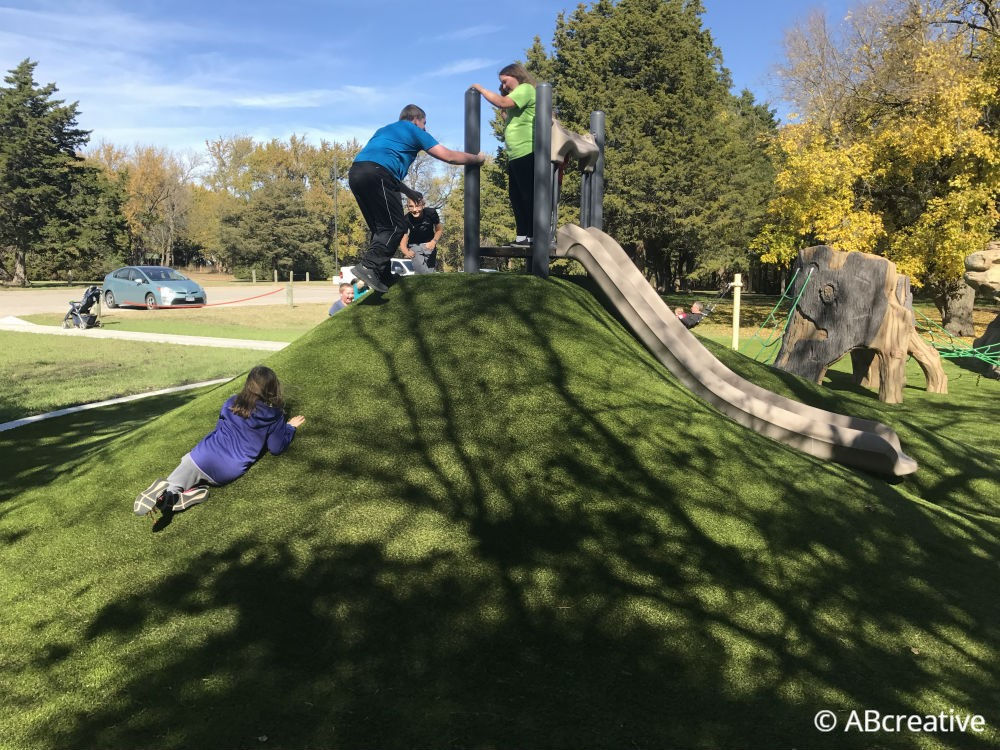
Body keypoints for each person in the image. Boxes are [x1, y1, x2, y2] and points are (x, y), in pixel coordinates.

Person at [134, 366, 305, 516]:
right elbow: (276, 448)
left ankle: (168, 493)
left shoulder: (232, 402)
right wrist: (289, 427)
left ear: (247, 385)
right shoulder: (273, 416)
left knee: (178, 478)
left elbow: (219, 428)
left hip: (203, 457)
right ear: (272, 388)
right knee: (195, 477)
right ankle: (184, 496)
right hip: (226, 471)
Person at [349, 104, 485, 293]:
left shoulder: (385, 130)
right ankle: (369, 267)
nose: (425, 128)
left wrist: (409, 192)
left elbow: (381, 167)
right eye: (424, 123)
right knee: (396, 227)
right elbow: (448, 156)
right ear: (416, 119)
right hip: (379, 175)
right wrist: (476, 159)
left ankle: (382, 274)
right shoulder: (413, 130)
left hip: (356, 173)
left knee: (380, 229)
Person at [471, 63, 537, 247]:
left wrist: (481, 89)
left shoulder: (526, 89)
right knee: (516, 195)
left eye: (505, 81)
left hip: (527, 151)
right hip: (515, 154)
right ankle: (522, 236)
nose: (504, 86)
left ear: (516, 76)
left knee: (527, 195)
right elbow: (506, 109)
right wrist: (504, 95)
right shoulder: (518, 95)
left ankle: (532, 236)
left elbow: (502, 103)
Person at [401, 197, 442, 274]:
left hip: (429, 244)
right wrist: (406, 251)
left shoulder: (431, 213)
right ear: (407, 207)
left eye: (417, 206)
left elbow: (439, 230)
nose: (415, 210)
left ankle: (429, 285)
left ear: (423, 205)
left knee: (430, 272)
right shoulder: (406, 219)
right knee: (420, 272)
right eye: (411, 206)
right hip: (414, 245)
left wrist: (433, 242)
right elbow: (403, 238)